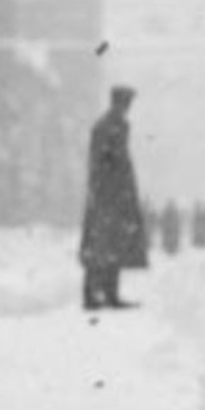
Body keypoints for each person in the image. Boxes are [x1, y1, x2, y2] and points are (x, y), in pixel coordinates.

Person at [79, 86, 149, 309]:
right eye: (126, 103)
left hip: (115, 196)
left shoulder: (116, 125)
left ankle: (109, 294)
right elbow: (102, 163)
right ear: (117, 102)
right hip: (106, 197)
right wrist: (112, 189)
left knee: (112, 246)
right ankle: (92, 295)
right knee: (101, 245)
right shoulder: (105, 127)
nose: (127, 108)